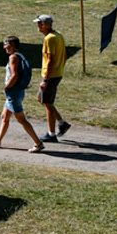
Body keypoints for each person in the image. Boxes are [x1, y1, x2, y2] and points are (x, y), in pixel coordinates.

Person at [0, 35, 44, 153]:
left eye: (6, 44)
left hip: (14, 92)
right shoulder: (21, 56)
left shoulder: (13, 57)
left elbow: (14, 75)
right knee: (5, 116)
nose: (4, 47)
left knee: (21, 119)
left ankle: (38, 143)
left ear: (12, 45)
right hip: (18, 91)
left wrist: (6, 87)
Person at [34, 14, 72, 142]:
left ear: (45, 25)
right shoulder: (58, 36)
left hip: (50, 76)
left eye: (39, 23)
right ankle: (62, 123)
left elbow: (50, 60)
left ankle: (51, 134)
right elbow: (65, 55)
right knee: (41, 99)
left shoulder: (49, 39)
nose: (38, 26)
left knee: (47, 103)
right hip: (56, 74)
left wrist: (45, 79)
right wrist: (60, 67)